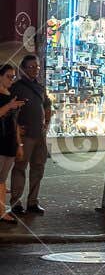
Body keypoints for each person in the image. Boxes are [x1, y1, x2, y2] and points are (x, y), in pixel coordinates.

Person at [10, 54, 52, 217]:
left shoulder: (40, 87)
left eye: (37, 67)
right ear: (23, 69)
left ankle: (33, 202)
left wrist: (46, 123)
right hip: (25, 136)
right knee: (20, 168)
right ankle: (15, 202)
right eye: (31, 67)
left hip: (39, 135)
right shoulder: (17, 87)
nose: (35, 70)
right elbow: (11, 110)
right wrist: (17, 128)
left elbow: (47, 105)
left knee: (38, 168)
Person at [0, 63, 22, 225]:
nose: (11, 80)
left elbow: (15, 122)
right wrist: (10, 106)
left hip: (10, 142)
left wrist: (19, 143)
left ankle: (2, 211)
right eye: (8, 76)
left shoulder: (10, 94)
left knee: (2, 179)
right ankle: (2, 211)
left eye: (13, 77)